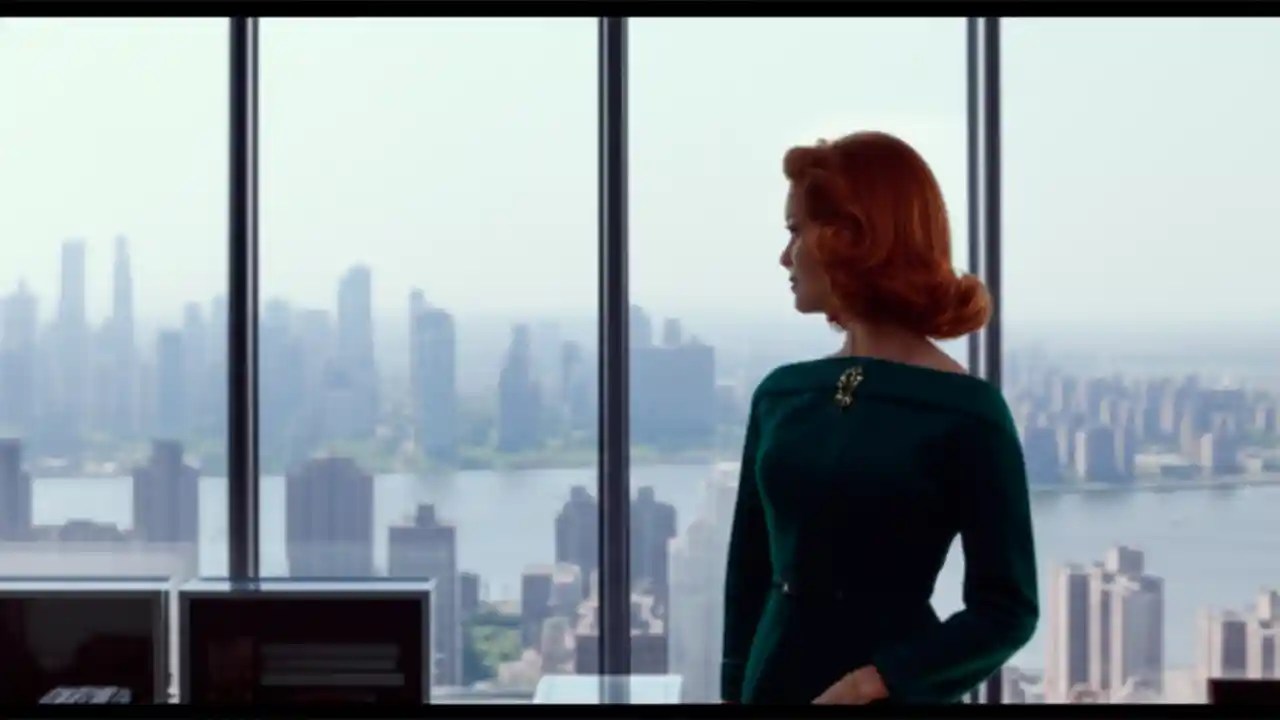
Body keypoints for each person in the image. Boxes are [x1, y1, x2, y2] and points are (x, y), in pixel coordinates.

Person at [720, 131, 1038, 705]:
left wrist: (876, 681)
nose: (785, 257)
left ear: (851, 237)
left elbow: (1007, 610)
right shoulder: (781, 396)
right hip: (771, 686)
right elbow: (749, 575)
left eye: (796, 231)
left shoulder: (968, 414)